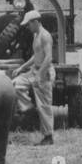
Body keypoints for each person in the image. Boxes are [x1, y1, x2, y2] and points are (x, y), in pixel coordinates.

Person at [11, 9, 54, 145]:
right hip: (33, 71)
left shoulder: (45, 36)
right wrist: (21, 68)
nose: (28, 27)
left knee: (44, 105)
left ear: (36, 22)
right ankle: (27, 108)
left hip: (44, 72)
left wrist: (40, 76)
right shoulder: (36, 35)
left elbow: (48, 58)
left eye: (29, 24)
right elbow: (35, 56)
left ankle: (48, 136)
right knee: (15, 84)